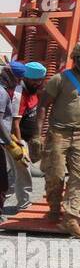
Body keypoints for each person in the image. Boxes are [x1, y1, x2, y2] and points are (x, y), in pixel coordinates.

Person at [39, 41, 80, 239]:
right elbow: (43, 106)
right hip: (58, 133)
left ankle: (71, 217)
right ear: (75, 58)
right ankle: (55, 207)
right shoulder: (59, 79)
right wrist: (37, 135)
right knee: (55, 174)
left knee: (79, 176)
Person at [1, 60, 26, 212]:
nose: (18, 83)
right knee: (2, 182)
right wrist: (11, 143)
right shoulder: (2, 93)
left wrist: (13, 137)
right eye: (18, 79)